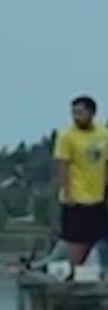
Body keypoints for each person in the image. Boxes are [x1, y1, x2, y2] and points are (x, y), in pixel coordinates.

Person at [54, 94, 108, 272]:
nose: (76, 117)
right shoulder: (66, 136)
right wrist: (66, 193)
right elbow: (63, 165)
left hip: (99, 197)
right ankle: (73, 273)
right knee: (76, 240)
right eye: (73, 113)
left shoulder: (103, 134)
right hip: (77, 198)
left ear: (92, 113)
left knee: (101, 238)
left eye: (80, 113)